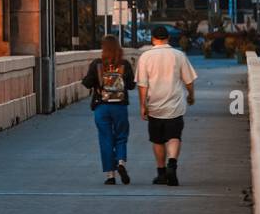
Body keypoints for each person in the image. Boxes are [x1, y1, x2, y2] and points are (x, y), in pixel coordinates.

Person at [136, 24, 197, 186]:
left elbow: (142, 84)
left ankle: (161, 173)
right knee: (174, 136)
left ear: (152, 39)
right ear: (168, 38)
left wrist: (143, 105)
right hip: (175, 104)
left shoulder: (145, 57)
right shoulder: (179, 55)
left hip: (155, 105)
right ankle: (172, 164)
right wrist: (191, 95)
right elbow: (189, 81)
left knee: (157, 140)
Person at [81, 35, 136, 184]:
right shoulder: (124, 64)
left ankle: (110, 176)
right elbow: (131, 85)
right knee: (121, 136)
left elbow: (86, 83)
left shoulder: (97, 64)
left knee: (105, 139)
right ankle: (120, 162)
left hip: (102, 106)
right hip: (119, 106)